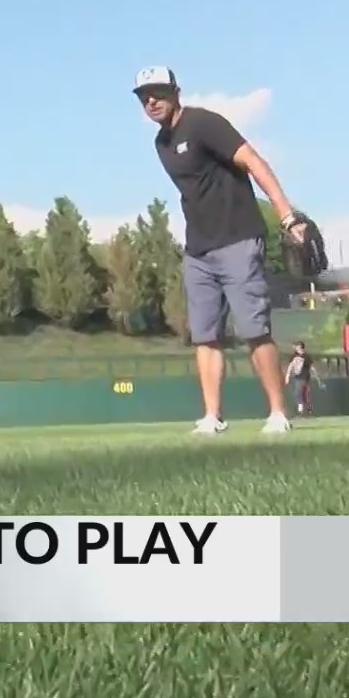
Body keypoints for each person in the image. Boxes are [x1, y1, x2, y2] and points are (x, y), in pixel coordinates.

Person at [135, 66, 303, 436]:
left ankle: (277, 413)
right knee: (205, 335)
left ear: (175, 91)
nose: (150, 101)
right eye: (143, 96)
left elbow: (254, 162)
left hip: (239, 239)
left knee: (253, 328)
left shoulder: (204, 124)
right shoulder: (161, 144)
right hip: (198, 249)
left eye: (157, 92)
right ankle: (213, 416)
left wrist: (286, 216)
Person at [284, 342, 313, 416]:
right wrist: (287, 375)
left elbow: (311, 367)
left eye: (297, 346)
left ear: (300, 347)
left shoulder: (307, 356)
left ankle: (308, 409)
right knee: (298, 393)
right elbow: (290, 366)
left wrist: (317, 377)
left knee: (305, 394)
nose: (295, 348)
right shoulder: (294, 356)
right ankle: (301, 411)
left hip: (305, 377)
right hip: (298, 377)